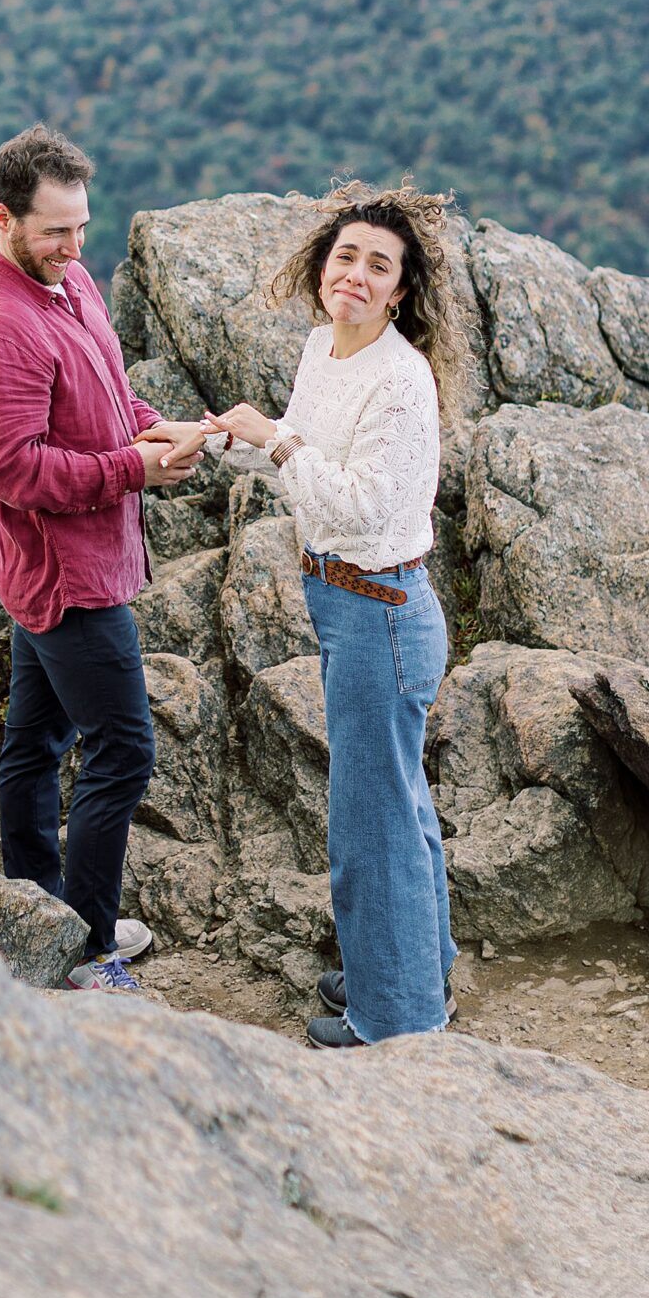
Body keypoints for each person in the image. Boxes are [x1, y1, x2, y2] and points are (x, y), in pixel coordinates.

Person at [201, 180, 464, 1048]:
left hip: (379, 613)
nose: (356, 272)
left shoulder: (402, 379)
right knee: (400, 808)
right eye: (345, 255)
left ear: (400, 290)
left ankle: (395, 1016)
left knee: (371, 824)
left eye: (378, 265)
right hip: (347, 604)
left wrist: (277, 443)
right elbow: (297, 448)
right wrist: (211, 438)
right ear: (324, 268)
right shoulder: (326, 348)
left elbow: (354, 500)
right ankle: (414, 970)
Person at [0, 124, 207, 992]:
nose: (73, 246)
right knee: (124, 750)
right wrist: (131, 469)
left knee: (33, 744)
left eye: (83, 228)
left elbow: (107, 388)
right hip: (69, 578)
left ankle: (35, 919)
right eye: (56, 231)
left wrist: (152, 426)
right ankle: (92, 948)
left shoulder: (68, 281)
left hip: (52, 570)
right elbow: (13, 472)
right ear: (4, 218)